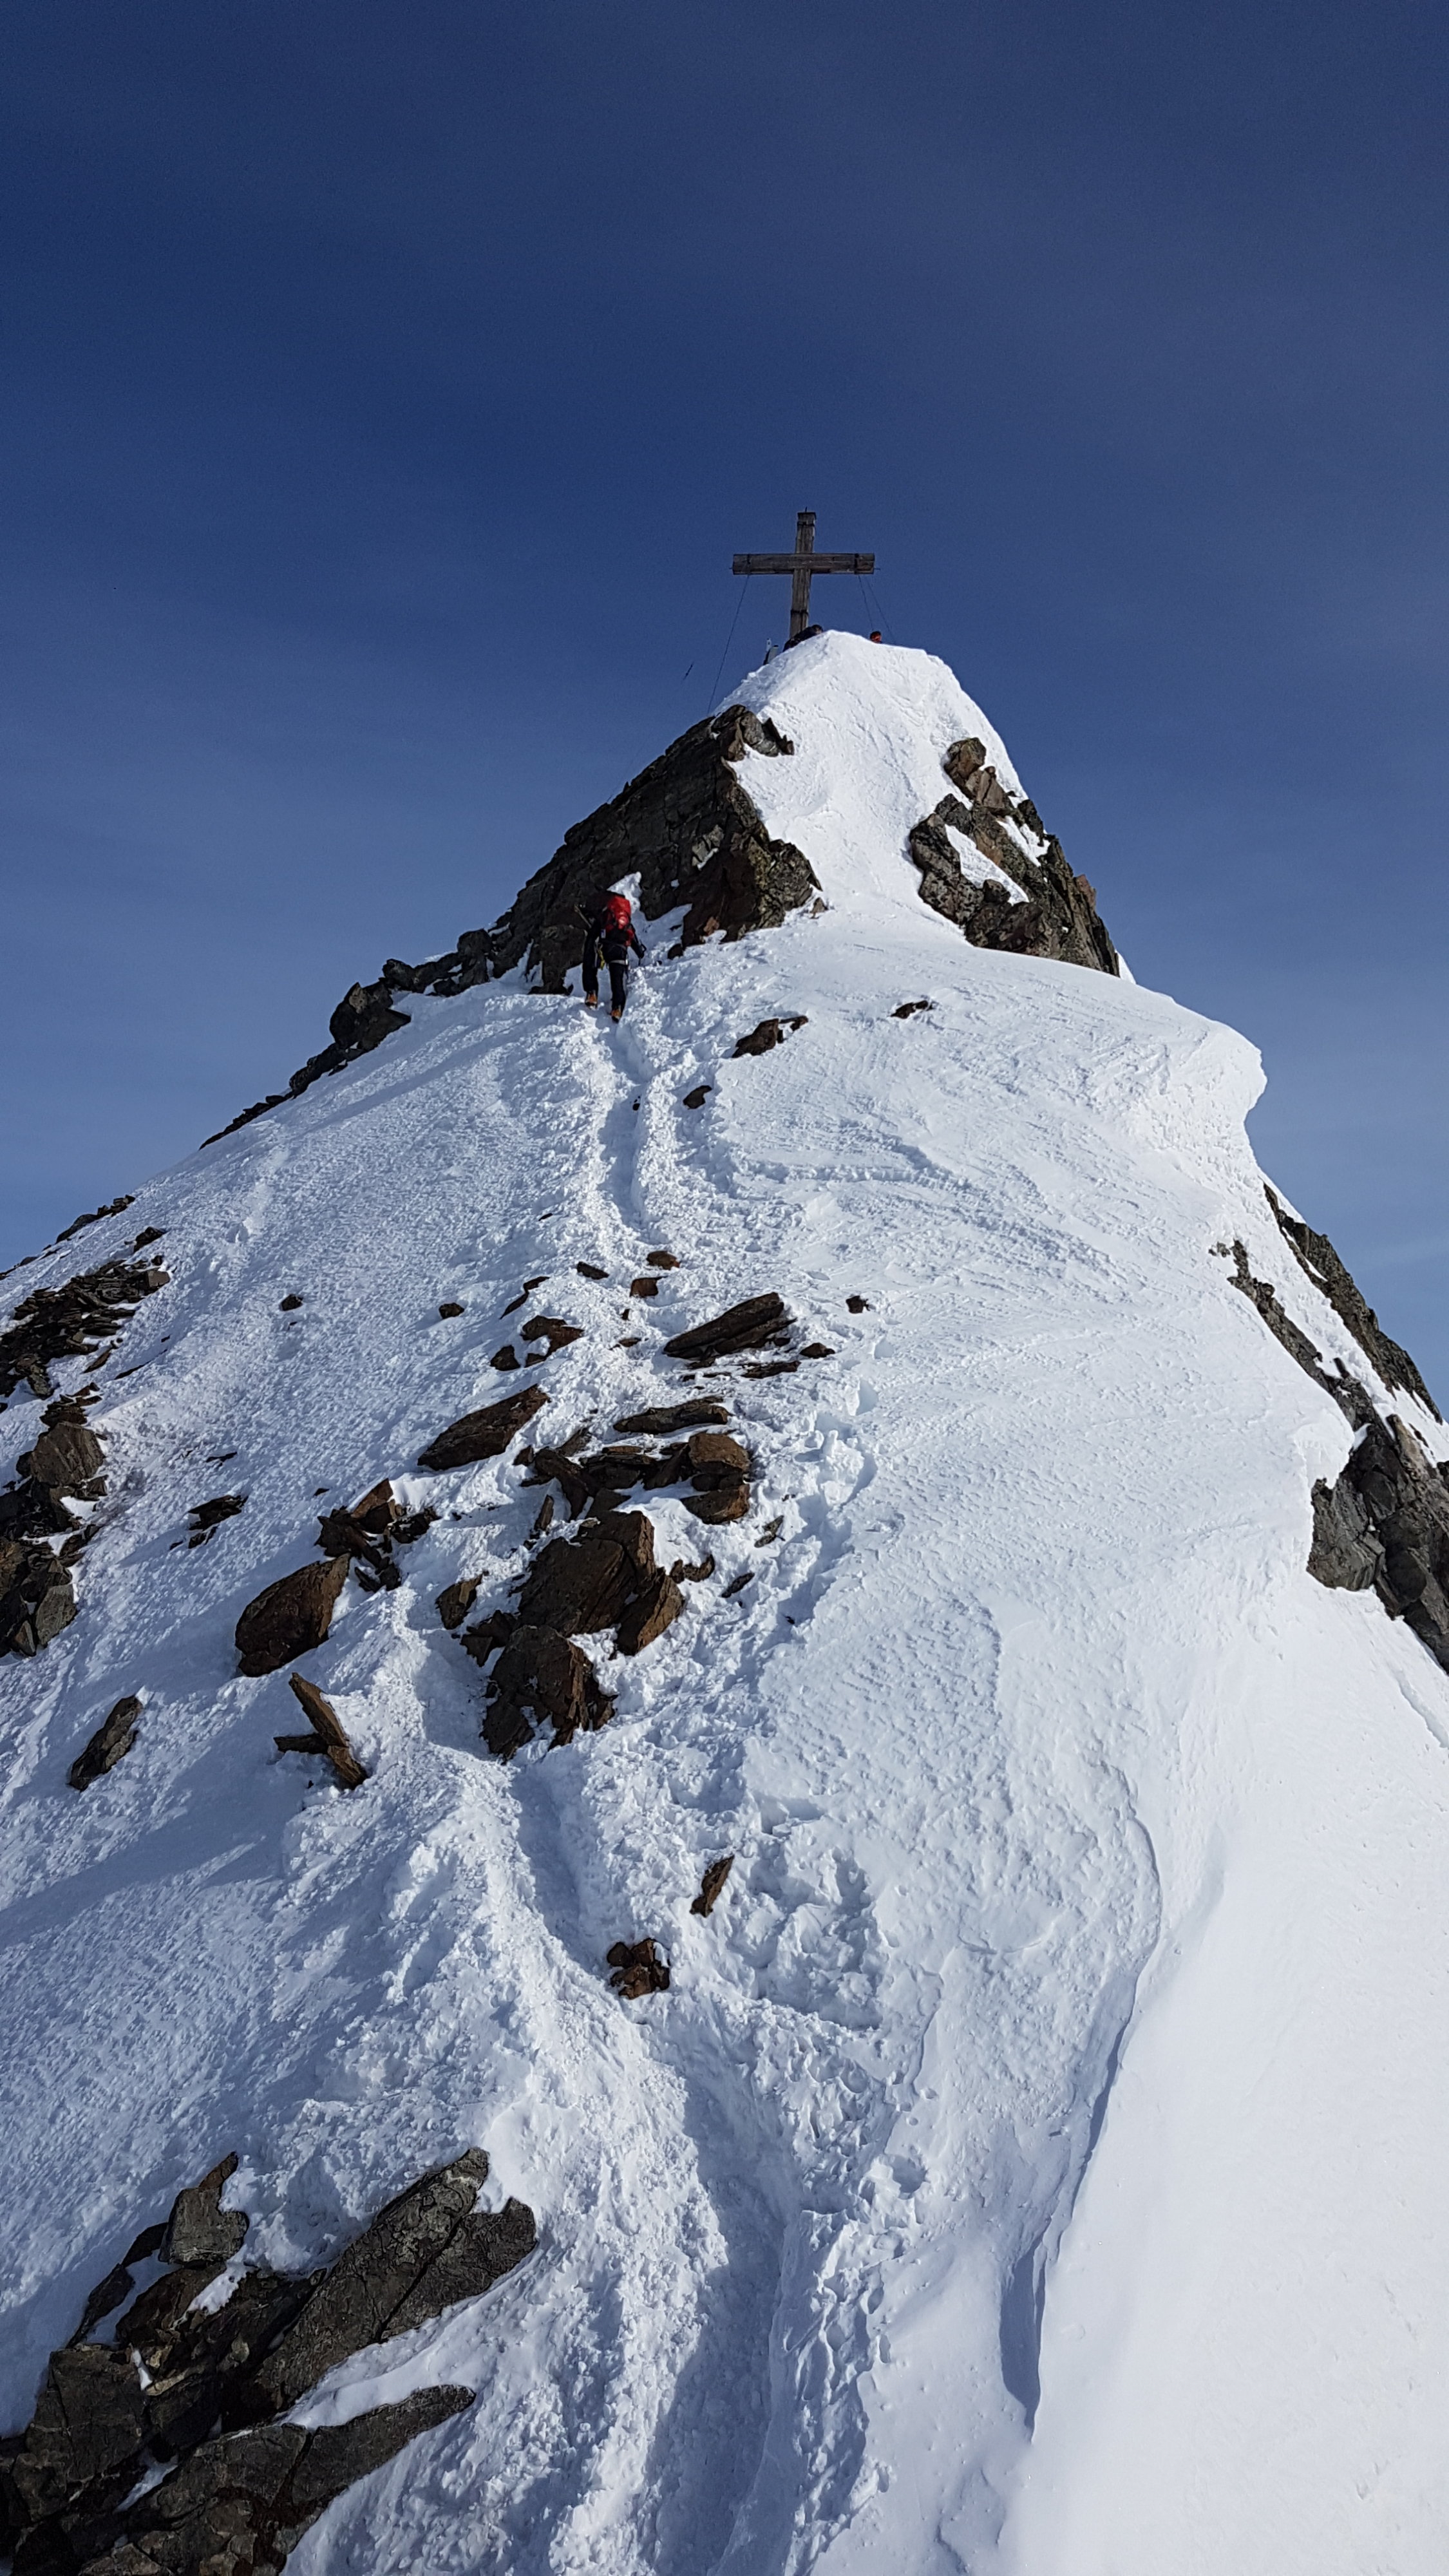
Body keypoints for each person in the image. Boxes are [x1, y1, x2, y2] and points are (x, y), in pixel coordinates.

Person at [583, 893, 647, 1021]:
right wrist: (640, 953)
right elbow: (636, 944)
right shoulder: (626, 922)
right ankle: (617, 1009)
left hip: (604, 948)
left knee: (590, 967)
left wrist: (590, 951)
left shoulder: (606, 916)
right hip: (620, 952)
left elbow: (592, 937)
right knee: (618, 978)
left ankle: (592, 994)